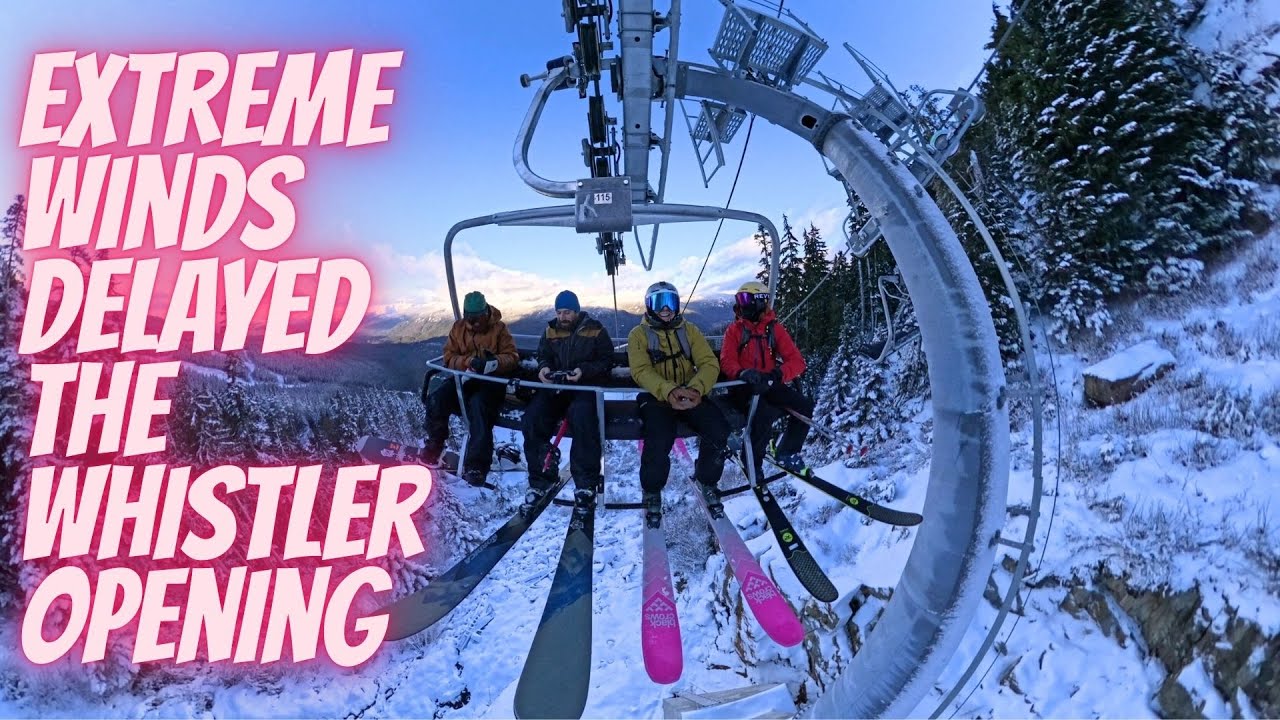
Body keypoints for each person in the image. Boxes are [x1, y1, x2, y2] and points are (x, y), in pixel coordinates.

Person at [627, 281, 732, 528]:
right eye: (659, 302)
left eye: (671, 302)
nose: (665, 309)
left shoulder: (689, 330)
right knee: (659, 436)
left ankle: (707, 480)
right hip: (656, 397)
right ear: (649, 306)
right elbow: (641, 370)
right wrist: (669, 390)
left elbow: (708, 362)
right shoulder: (639, 335)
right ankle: (652, 490)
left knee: (718, 429)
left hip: (690, 392)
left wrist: (696, 389)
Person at [520, 290, 614, 515]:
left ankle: (585, 485)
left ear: (577, 310)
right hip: (557, 386)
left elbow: (606, 359)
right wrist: (544, 369)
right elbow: (543, 354)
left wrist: (583, 371)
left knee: (582, 417)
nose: (563, 317)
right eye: (560, 312)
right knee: (532, 418)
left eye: (567, 312)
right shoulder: (550, 330)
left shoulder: (595, 329)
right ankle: (541, 478)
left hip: (583, 386)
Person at [422, 290, 519, 486]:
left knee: (479, 406)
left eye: (479, 318)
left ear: (486, 313)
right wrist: (466, 361)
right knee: (437, 398)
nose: (475, 323)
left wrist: (492, 363)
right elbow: (449, 356)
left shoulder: (498, 329)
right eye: (471, 318)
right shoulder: (458, 329)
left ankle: (477, 464)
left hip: (492, 381)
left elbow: (512, 357)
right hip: (465, 377)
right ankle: (435, 443)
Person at [719, 280, 814, 478]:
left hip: (769, 382)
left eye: (745, 299)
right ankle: (752, 462)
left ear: (760, 301)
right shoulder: (735, 330)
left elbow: (797, 361)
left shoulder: (773, 329)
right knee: (762, 412)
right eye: (739, 299)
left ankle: (788, 450)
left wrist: (778, 374)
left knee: (803, 406)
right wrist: (742, 373)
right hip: (744, 385)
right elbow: (727, 361)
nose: (741, 305)